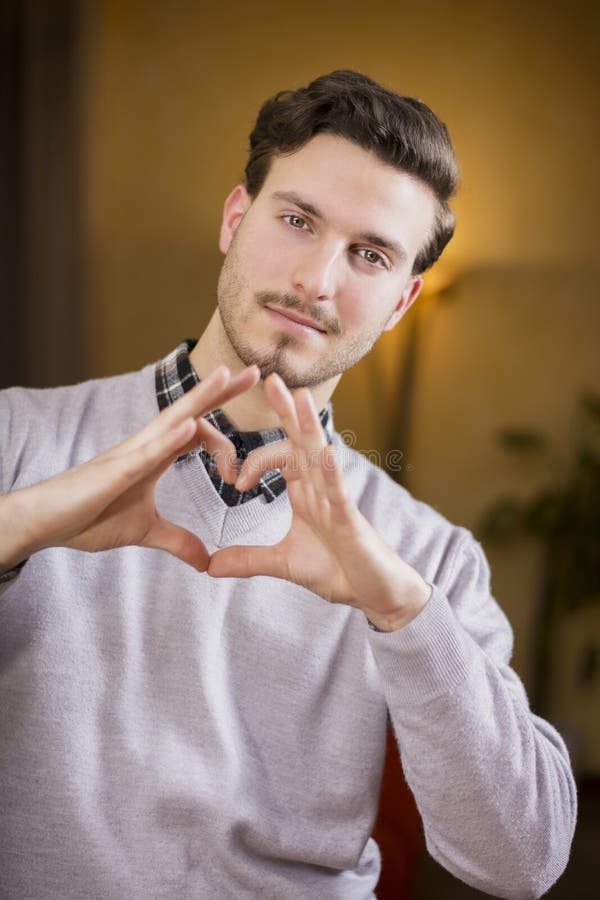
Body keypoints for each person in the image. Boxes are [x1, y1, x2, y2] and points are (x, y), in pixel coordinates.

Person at [0, 70, 576, 899]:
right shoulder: (17, 439)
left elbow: (525, 861)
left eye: (370, 254)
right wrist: (17, 529)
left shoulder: (430, 558)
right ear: (235, 219)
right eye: (298, 220)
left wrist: (403, 614)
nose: (317, 280)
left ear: (403, 301)